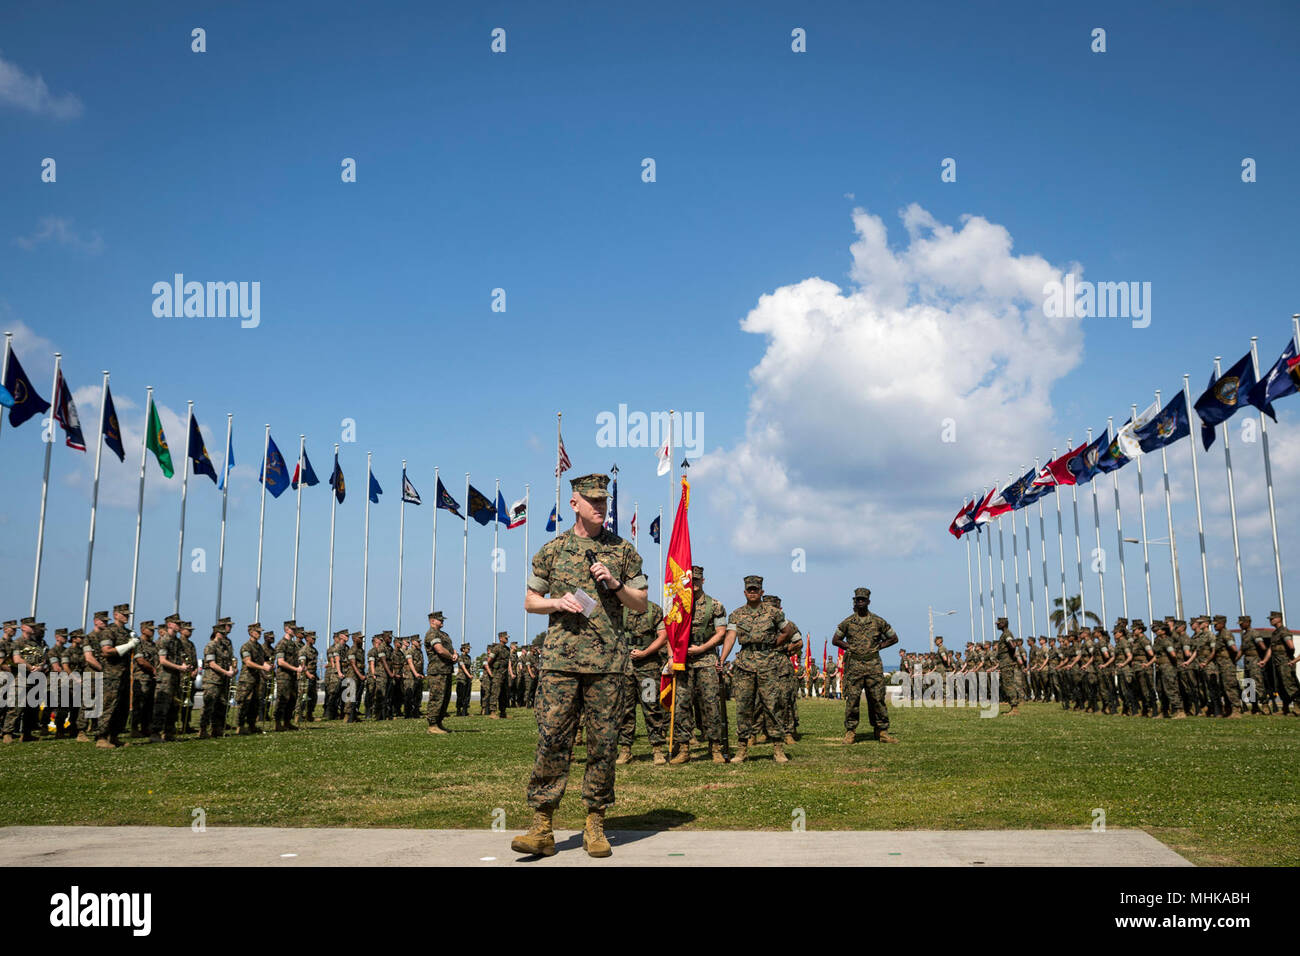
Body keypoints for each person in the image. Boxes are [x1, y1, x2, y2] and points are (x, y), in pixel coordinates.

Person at [511, 472, 646, 859]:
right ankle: (542, 825)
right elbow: (529, 600)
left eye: (604, 501)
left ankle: (595, 824)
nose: (600, 507)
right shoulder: (552, 550)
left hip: (607, 664)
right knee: (553, 741)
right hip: (560, 663)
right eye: (593, 501)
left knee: (603, 746)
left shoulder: (622, 551)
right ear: (575, 504)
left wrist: (616, 586)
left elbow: (642, 604)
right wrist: (558, 602)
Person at [720, 575, 795, 763]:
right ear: (745, 592)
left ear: (761, 592)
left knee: (772, 705)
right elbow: (730, 636)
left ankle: (778, 748)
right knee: (743, 707)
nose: (752, 592)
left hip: (768, 664)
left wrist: (773, 645)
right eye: (749, 589)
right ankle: (742, 749)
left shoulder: (773, 613)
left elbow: (788, 631)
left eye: (756, 589)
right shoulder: (736, 614)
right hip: (745, 663)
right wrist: (722, 658)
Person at [833, 588, 899, 742]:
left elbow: (894, 638)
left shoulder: (878, 621)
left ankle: (882, 731)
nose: (860, 602)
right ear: (855, 601)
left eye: (863, 599)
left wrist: (879, 646)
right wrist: (849, 647)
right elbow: (835, 640)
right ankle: (850, 731)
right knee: (852, 699)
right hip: (854, 665)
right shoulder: (848, 622)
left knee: (877, 698)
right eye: (858, 600)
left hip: (873, 665)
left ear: (868, 602)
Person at [616, 598, 668, 766]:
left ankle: (657, 749)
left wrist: (645, 653)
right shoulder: (620, 609)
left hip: (648, 667)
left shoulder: (654, 610)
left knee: (651, 706)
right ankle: (625, 750)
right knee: (625, 708)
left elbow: (663, 637)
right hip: (625, 667)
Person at [423, 611, 455, 733]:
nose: (442, 622)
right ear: (432, 621)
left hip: (445, 670)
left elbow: (449, 648)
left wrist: (455, 653)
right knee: (436, 697)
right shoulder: (431, 634)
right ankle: (432, 725)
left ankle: (439, 723)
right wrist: (452, 656)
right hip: (437, 671)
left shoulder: (443, 634)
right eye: (439, 620)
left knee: (445, 698)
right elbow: (440, 650)